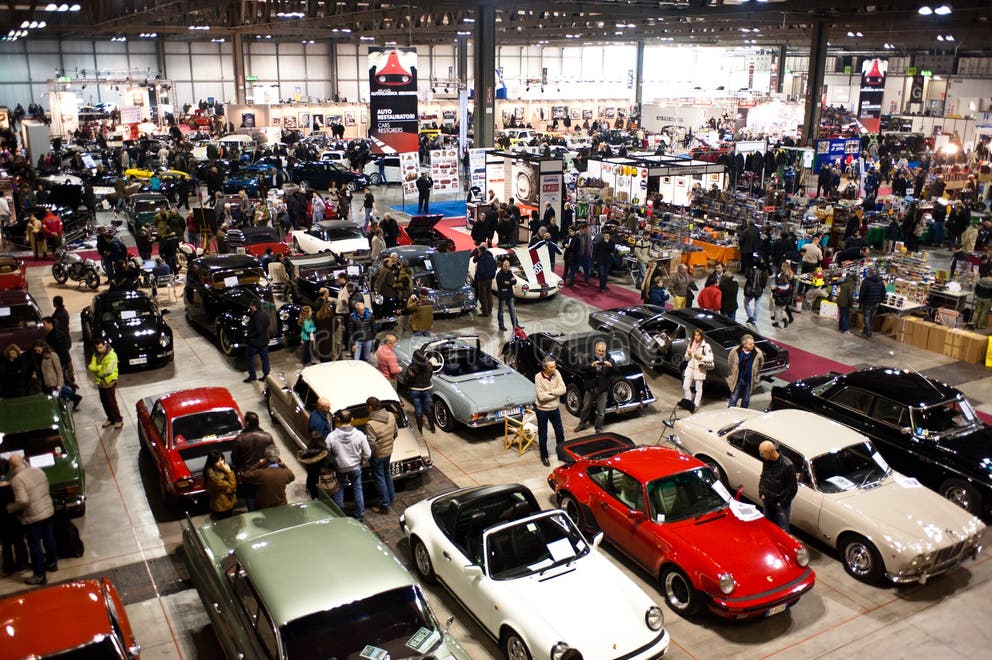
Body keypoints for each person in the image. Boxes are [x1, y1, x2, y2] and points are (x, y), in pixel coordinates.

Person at [5, 454, 56, 585]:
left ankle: (39, 575)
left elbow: (23, 501)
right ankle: (52, 563)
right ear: (23, 461)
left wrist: (10, 508)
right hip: (47, 510)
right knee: (49, 539)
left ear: (11, 466)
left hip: (33, 516)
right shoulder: (38, 470)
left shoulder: (17, 480)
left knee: (35, 546)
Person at [326, 409, 372, 520]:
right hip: (355, 467)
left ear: (338, 420)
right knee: (357, 488)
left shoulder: (331, 436)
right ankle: (360, 515)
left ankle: (340, 515)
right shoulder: (359, 435)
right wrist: (362, 460)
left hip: (339, 467)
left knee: (339, 489)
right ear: (352, 419)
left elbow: (326, 451)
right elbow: (368, 454)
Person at [231, 411, 275, 511]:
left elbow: (235, 458)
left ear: (247, 423)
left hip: (248, 474)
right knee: (265, 495)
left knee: (250, 497)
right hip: (265, 471)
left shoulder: (240, 439)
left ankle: (253, 515)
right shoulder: (267, 436)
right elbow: (273, 456)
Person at [365, 396, 398, 514]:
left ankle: (384, 505)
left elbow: (371, 444)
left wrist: (367, 456)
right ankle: (391, 497)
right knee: (387, 473)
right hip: (388, 451)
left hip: (378, 455)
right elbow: (395, 433)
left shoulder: (371, 424)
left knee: (379, 479)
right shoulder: (391, 415)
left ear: (370, 407)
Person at [575, 340, 614, 433]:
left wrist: (611, 366)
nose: (600, 353)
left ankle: (598, 428)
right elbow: (581, 369)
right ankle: (582, 424)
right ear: (595, 349)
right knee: (586, 407)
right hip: (590, 387)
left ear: (605, 350)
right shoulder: (588, 358)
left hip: (603, 389)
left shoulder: (610, 359)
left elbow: (617, 370)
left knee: (601, 411)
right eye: (599, 350)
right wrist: (591, 366)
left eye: (602, 351)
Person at [758, 441, 798, 530]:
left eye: (762, 453)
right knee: (768, 527)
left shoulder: (787, 465)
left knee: (782, 530)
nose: (761, 456)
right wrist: (761, 492)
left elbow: (793, 488)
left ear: (770, 452)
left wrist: (782, 502)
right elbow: (763, 476)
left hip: (780, 505)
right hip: (767, 501)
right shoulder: (766, 461)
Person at [534, 357, 566, 467]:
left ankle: (562, 453)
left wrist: (550, 392)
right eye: (551, 367)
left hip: (555, 409)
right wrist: (556, 393)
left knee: (560, 432)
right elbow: (541, 397)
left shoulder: (557, 373)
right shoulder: (538, 377)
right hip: (542, 410)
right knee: (543, 435)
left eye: (554, 366)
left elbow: (563, 389)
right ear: (544, 367)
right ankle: (544, 456)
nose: (554, 368)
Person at [0, 458, 30, 578]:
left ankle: (8, 567)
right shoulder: (13, 484)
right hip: (14, 518)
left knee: (5, 544)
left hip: (1, 521)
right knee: (19, 541)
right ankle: (22, 565)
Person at [242, 446, 295, 510]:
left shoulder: (260, 473)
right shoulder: (285, 472)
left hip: (264, 508)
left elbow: (246, 475)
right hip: (282, 506)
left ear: (266, 459)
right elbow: (292, 477)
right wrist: (284, 465)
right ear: (278, 458)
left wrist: (259, 463)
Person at [32, 340, 81, 409]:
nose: (37, 352)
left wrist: (59, 384)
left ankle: (63, 410)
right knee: (61, 394)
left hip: (53, 383)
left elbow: (59, 371)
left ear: (43, 347)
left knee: (57, 399)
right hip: (45, 383)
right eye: (36, 350)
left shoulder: (52, 355)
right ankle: (75, 397)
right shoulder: (36, 357)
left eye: (39, 350)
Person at [88, 339, 122, 429]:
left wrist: (98, 372)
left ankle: (118, 420)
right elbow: (91, 367)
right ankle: (111, 419)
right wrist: (99, 368)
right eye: (97, 348)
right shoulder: (95, 355)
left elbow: (109, 370)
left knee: (111, 402)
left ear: (104, 345)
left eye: (100, 347)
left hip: (109, 382)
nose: (99, 350)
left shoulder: (112, 355)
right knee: (104, 401)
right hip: (100, 383)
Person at [726, 334, 765, 409]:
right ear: (744, 344)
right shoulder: (735, 351)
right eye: (750, 344)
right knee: (733, 399)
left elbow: (760, 364)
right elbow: (730, 362)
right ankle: (730, 414)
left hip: (749, 381)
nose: (753, 345)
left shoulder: (758, 353)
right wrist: (733, 371)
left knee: (746, 400)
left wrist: (755, 373)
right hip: (737, 379)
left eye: (753, 343)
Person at [682, 328, 713, 411]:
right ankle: (688, 401)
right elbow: (686, 358)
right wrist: (688, 354)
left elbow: (711, 358)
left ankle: (696, 404)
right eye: (695, 335)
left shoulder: (705, 346)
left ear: (701, 336)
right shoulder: (691, 343)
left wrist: (701, 357)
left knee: (698, 388)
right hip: (690, 367)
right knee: (685, 386)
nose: (696, 337)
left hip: (699, 369)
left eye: (698, 335)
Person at [406, 349, 436, 434]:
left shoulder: (412, 367)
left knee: (418, 410)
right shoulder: (429, 365)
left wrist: (408, 387)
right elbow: (430, 375)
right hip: (426, 389)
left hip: (415, 390)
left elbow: (407, 379)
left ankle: (420, 431)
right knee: (428, 408)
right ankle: (432, 427)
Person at [203, 450, 238, 520]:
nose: (221, 463)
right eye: (217, 461)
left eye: (222, 459)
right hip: (222, 505)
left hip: (226, 501)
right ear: (212, 463)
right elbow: (232, 486)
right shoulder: (213, 476)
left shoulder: (218, 468)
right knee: (226, 523)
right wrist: (229, 472)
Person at [243, 299, 271, 382]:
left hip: (255, 342)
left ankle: (252, 375)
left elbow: (258, 330)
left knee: (248, 357)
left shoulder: (255, 316)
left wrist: (248, 337)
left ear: (254, 306)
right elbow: (267, 325)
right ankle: (266, 375)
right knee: (265, 358)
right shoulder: (265, 314)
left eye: (251, 305)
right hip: (264, 341)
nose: (250, 307)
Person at [299, 431, 330, 500]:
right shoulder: (325, 451)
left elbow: (302, 458)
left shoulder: (307, 453)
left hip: (311, 472)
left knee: (311, 481)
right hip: (322, 473)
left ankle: (313, 495)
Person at [858, 268, 886, 338]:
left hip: (867, 302)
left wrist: (860, 301)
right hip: (876, 302)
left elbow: (862, 293)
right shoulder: (880, 281)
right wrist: (880, 300)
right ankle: (866, 330)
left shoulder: (866, 281)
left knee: (866, 317)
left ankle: (868, 332)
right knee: (871, 317)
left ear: (869, 274)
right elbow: (883, 292)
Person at [496, 258, 519, 331]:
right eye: (505, 266)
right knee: (501, 311)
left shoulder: (509, 272)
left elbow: (514, 281)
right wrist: (509, 282)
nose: (507, 267)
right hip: (502, 295)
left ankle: (516, 325)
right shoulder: (499, 274)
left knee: (512, 310)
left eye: (508, 266)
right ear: (502, 266)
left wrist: (508, 282)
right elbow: (502, 284)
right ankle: (501, 325)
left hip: (509, 295)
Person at [474, 245, 496, 317]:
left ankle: (485, 312)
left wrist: (478, 271)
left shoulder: (482, 259)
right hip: (490, 279)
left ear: (480, 251)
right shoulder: (491, 257)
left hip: (482, 280)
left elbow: (481, 270)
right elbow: (494, 267)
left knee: (482, 296)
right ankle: (489, 309)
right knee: (489, 294)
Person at [771, 262, 794, 328]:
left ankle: (776, 323)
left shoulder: (782, 275)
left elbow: (779, 285)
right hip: (787, 296)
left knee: (777, 309)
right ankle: (785, 319)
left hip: (780, 295)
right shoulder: (791, 274)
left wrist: (774, 290)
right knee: (783, 309)